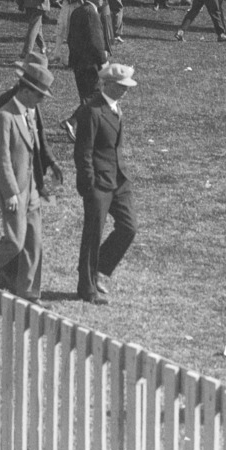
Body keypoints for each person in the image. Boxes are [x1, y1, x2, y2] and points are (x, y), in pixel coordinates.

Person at [0, 58, 60, 303]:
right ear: (25, 91)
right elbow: (0, 159)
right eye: (39, 96)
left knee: (34, 242)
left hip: (31, 186)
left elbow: (35, 149)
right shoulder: (4, 116)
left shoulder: (30, 112)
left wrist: (46, 173)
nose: (42, 101)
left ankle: (28, 295)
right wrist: (11, 193)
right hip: (12, 187)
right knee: (15, 242)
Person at [72, 63, 139, 305]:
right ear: (107, 84)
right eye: (121, 86)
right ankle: (86, 287)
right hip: (99, 183)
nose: (125, 91)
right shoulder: (92, 111)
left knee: (129, 227)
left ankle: (99, 268)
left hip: (119, 180)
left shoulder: (114, 107)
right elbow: (83, 152)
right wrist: (88, 184)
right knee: (92, 235)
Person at [68, 0, 110, 103]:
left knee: (85, 99)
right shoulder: (91, 13)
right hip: (91, 67)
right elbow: (96, 43)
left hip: (79, 65)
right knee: (93, 101)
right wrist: (104, 63)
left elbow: (70, 39)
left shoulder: (77, 11)